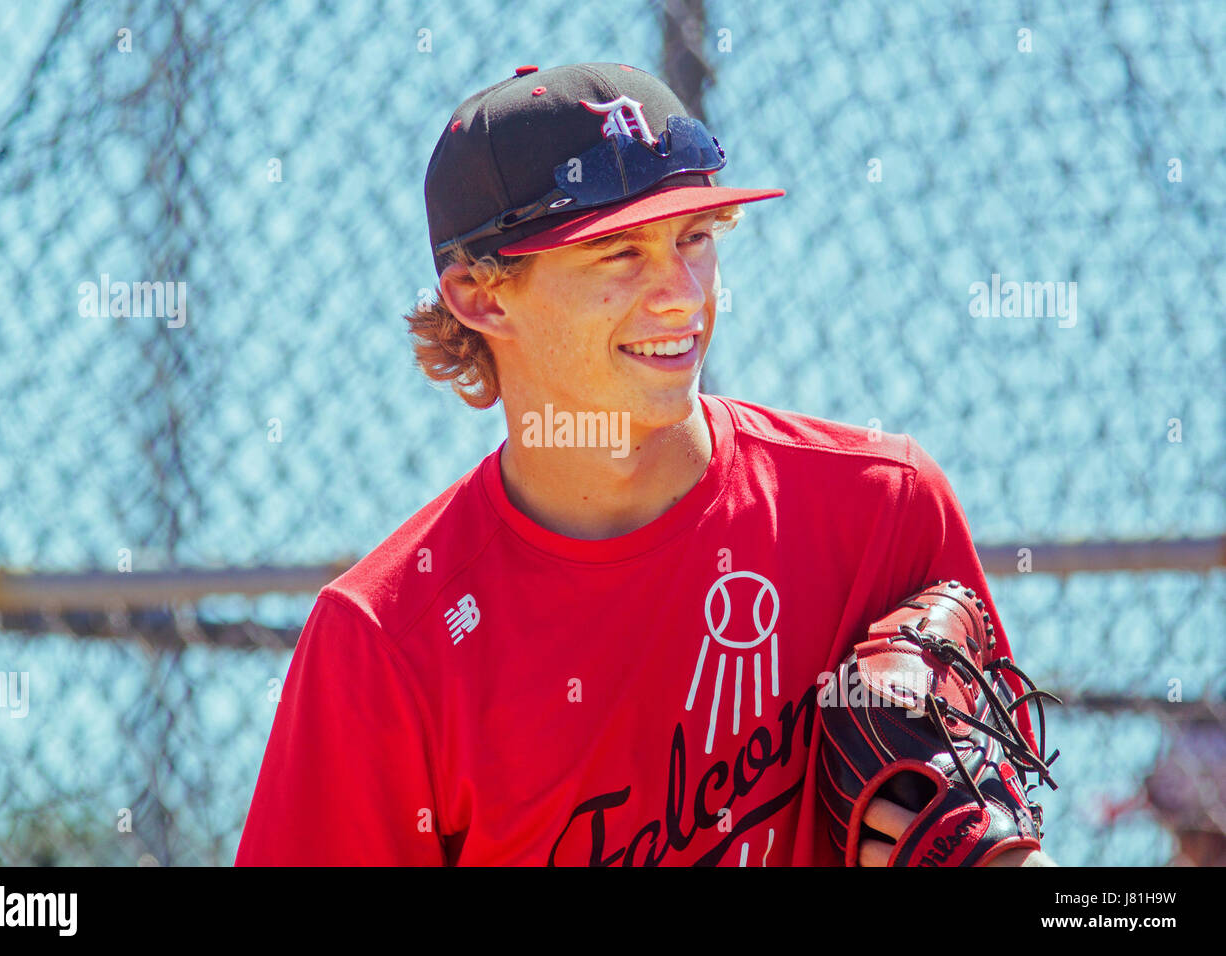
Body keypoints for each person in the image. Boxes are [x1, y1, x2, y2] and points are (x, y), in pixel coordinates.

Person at [236, 61, 1052, 866]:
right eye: (618, 252)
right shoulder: (385, 640)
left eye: (695, 238)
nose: (681, 293)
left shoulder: (881, 510)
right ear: (482, 296)